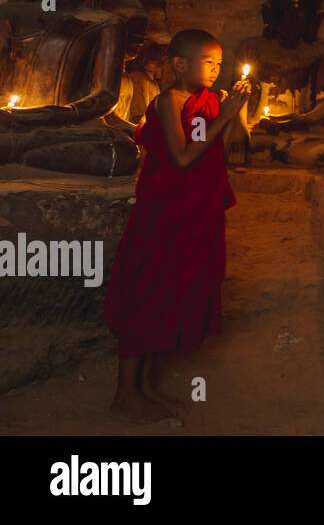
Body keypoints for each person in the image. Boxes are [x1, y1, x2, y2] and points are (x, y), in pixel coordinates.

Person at [102, 29, 249, 423]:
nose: (216, 70)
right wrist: (225, 117)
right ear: (180, 64)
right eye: (208, 62)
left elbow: (221, 147)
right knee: (147, 292)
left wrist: (235, 113)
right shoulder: (169, 101)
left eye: (220, 63)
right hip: (165, 213)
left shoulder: (211, 101)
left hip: (197, 211)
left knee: (173, 292)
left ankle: (146, 388)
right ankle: (124, 394)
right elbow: (183, 157)